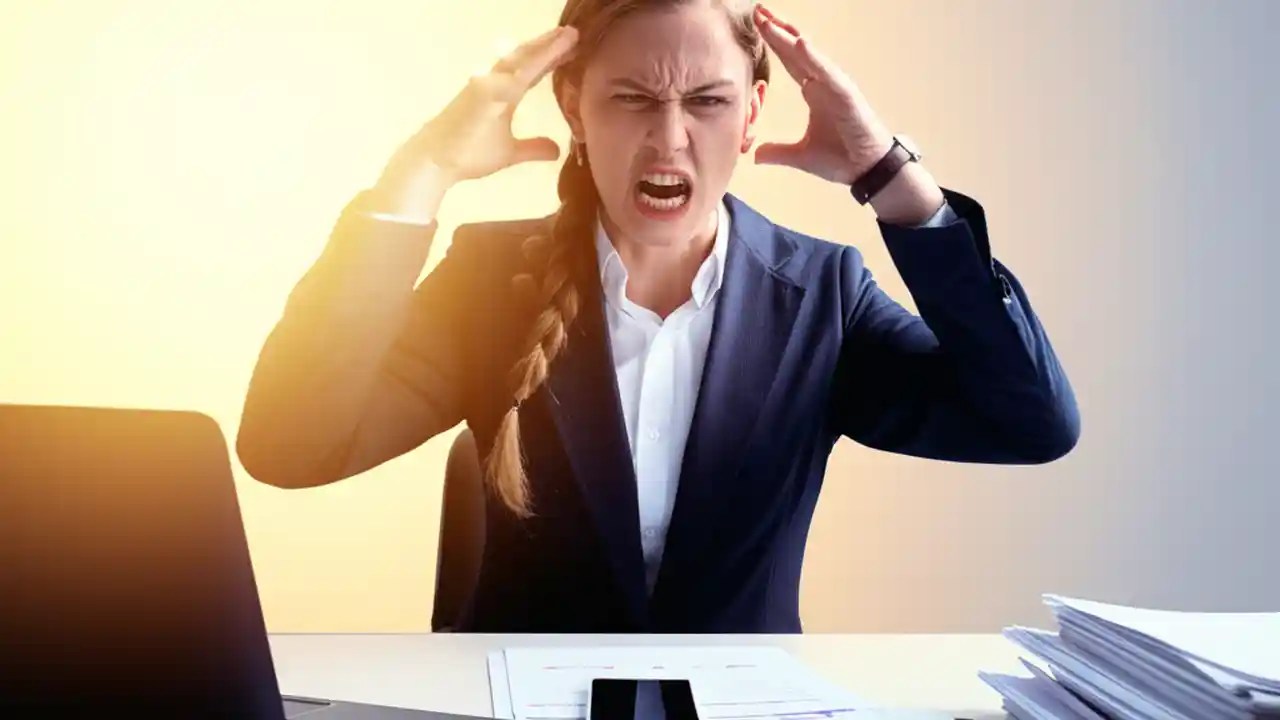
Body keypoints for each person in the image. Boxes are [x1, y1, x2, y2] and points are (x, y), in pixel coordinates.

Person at [236, 0, 1080, 633]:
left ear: (752, 114)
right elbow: (290, 444)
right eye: (632, 99)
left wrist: (890, 177)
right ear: (574, 109)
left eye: (708, 102)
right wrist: (417, 177)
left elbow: (1031, 423)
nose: (669, 139)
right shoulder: (490, 282)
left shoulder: (823, 294)